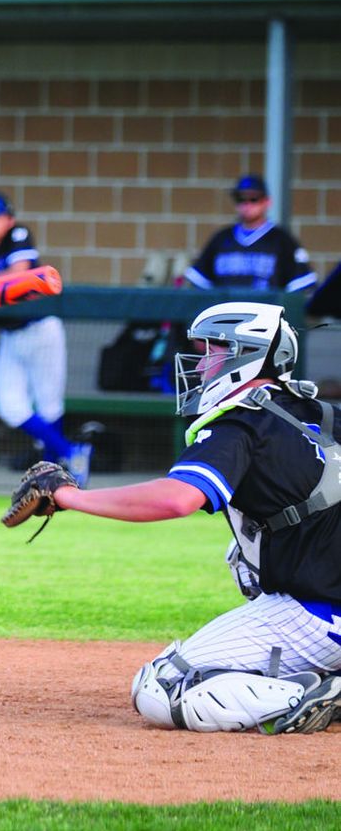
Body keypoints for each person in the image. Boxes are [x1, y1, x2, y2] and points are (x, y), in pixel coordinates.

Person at [40, 302, 341, 734]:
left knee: (160, 689)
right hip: (328, 600)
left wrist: (68, 496)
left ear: (247, 354)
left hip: (318, 616)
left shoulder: (240, 423)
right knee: (244, 554)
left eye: (212, 351)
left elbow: (178, 499)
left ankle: (311, 692)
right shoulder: (321, 413)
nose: (201, 365)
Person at [0, 191, 94, 483]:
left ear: (9, 219)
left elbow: (16, 276)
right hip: (9, 334)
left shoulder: (19, 235)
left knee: (49, 404)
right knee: (9, 407)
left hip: (40, 329)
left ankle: (53, 471)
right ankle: (71, 452)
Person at [184, 175, 315, 296]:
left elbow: (301, 288)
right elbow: (199, 285)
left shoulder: (282, 241)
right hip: (225, 317)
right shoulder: (221, 239)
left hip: (266, 317)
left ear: (267, 202)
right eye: (241, 199)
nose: (247, 204)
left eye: (254, 199)